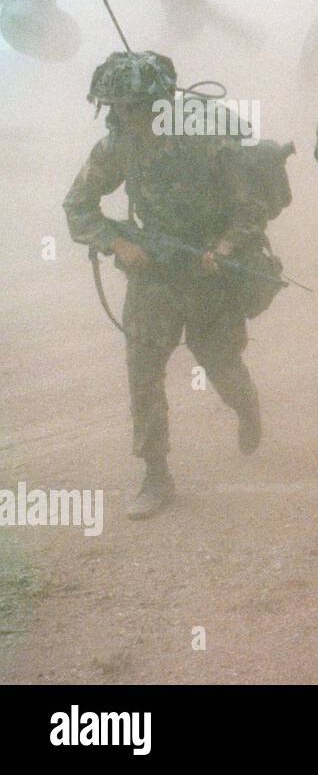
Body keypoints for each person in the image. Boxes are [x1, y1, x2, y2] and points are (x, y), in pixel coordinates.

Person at [63, 51, 266, 521]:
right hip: (154, 272)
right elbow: (78, 206)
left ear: (159, 103)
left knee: (218, 359)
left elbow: (249, 206)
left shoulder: (206, 137)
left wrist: (227, 247)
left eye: (130, 106)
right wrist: (117, 243)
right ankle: (156, 474)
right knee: (143, 368)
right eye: (114, 107)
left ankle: (246, 404)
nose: (120, 116)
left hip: (208, 269)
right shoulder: (117, 147)